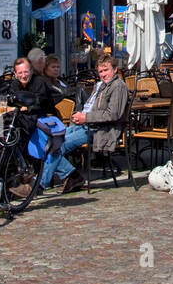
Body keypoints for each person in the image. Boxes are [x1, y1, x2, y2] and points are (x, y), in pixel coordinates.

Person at [40, 56, 130, 193]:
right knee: (51, 141)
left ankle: (39, 184)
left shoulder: (118, 86)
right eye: (100, 72)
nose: (103, 74)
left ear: (115, 70)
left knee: (58, 145)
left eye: (106, 70)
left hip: (102, 130)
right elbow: (90, 107)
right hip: (88, 125)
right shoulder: (101, 85)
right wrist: (80, 116)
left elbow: (113, 114)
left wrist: (85, 117)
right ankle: (73, 176)